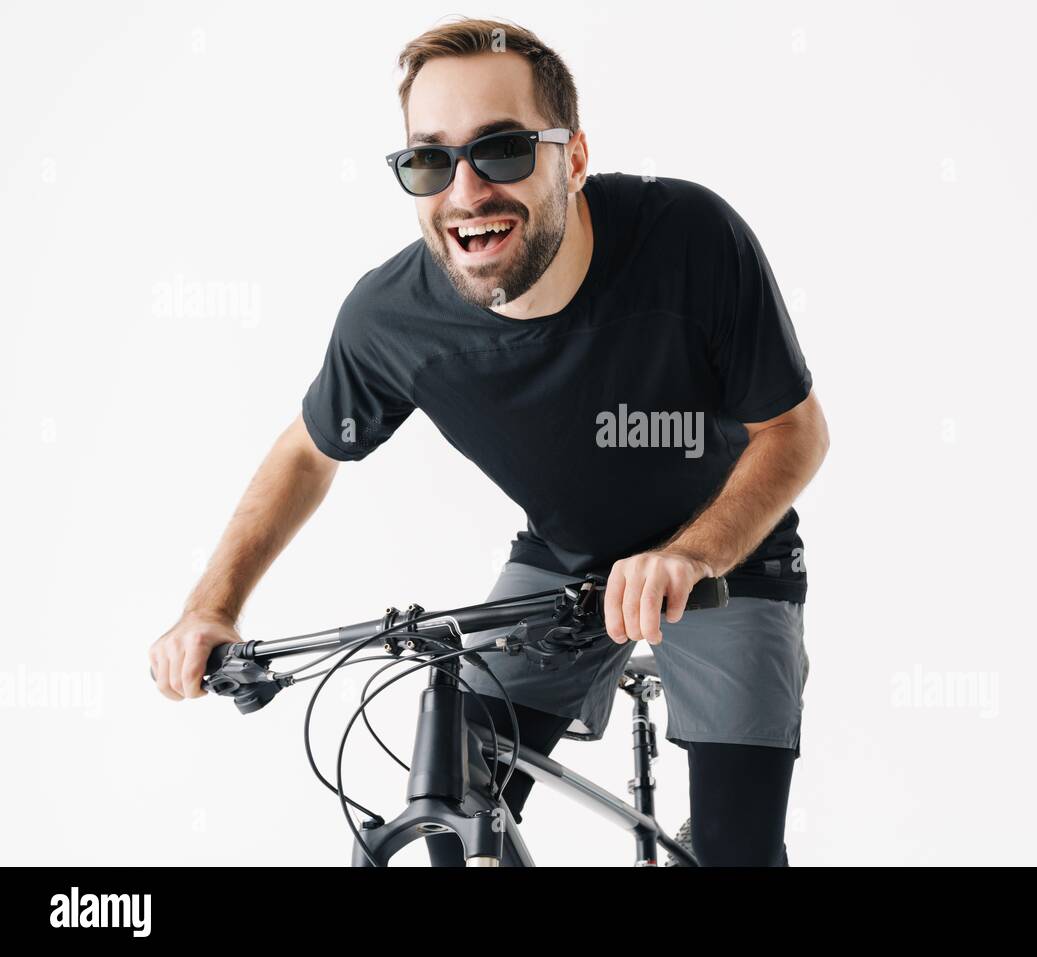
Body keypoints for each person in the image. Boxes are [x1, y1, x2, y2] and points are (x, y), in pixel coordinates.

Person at [148, 17, 829, 867]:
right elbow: (306, 451)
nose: (466, 192)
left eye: (502, 149)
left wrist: (691, 558)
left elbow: (794, 432)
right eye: (430, 160)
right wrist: (213, 606)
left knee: (739, 852)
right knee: (450, 810)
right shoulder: (391, 318)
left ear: (573, 159)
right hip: (566, 561)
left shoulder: (691, 239)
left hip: (731, 560)